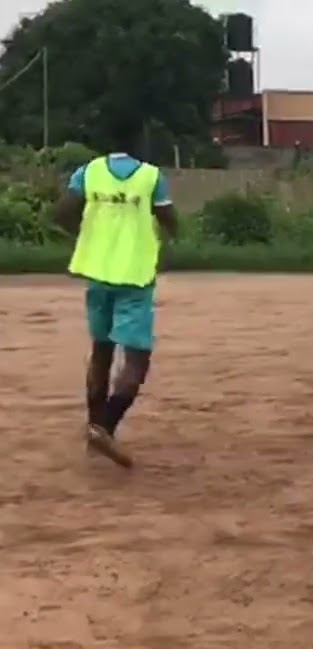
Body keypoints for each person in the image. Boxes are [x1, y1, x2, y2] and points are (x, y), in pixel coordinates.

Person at [53, 116, 178, 468]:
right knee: (137, 357)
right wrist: (169, 238)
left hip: (97, 273)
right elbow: (169, 219)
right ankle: (105, 427)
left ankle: (95, 426)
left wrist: (89, 236)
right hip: (134, 275)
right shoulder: (151, 176)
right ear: (139, 141)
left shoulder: (89, 172)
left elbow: (61, 213)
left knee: (102, 350)